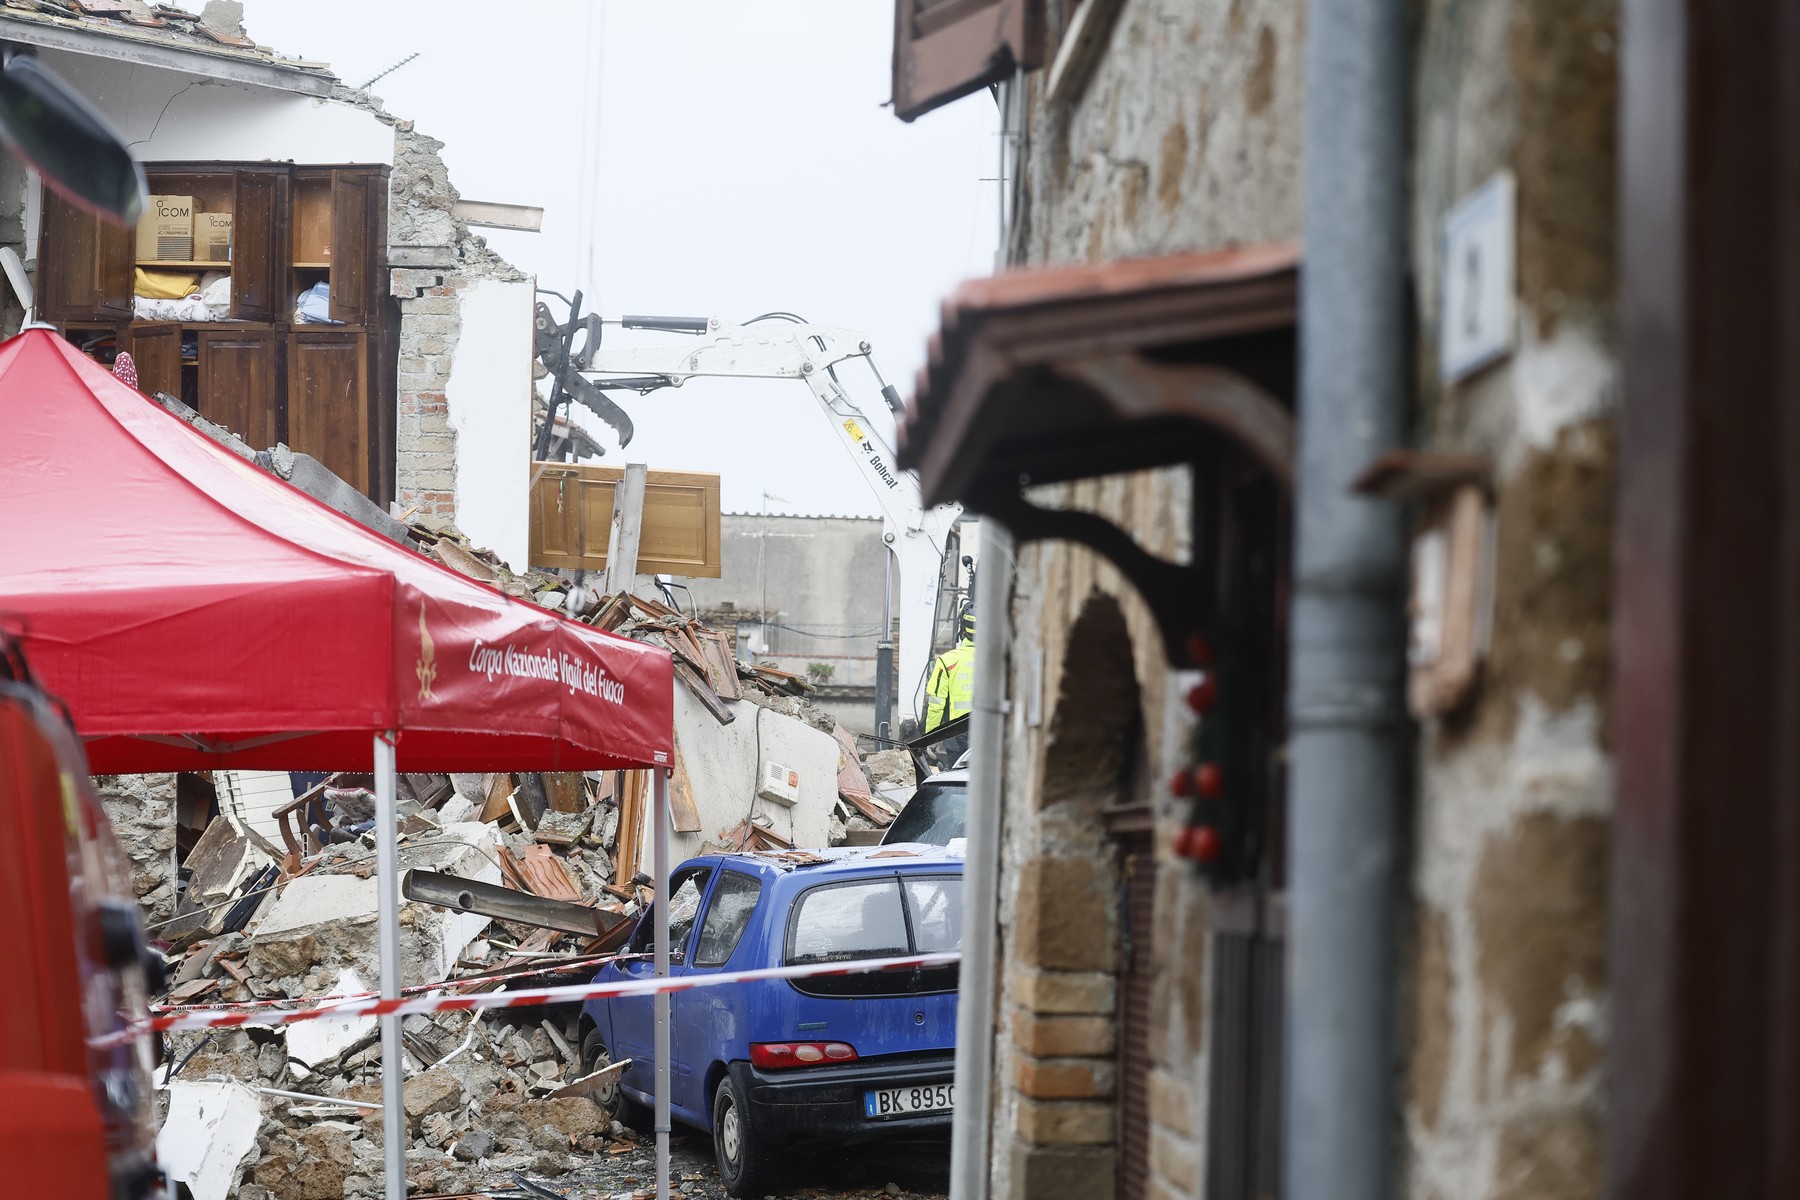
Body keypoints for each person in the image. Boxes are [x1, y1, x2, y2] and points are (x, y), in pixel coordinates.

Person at [923, 609, 975, 764]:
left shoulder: (947, 662)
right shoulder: (1000, 661)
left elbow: (936, 705)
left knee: (957, 780)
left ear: (962, 629)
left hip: (956, 734)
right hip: (990, 732)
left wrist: (931, 737)